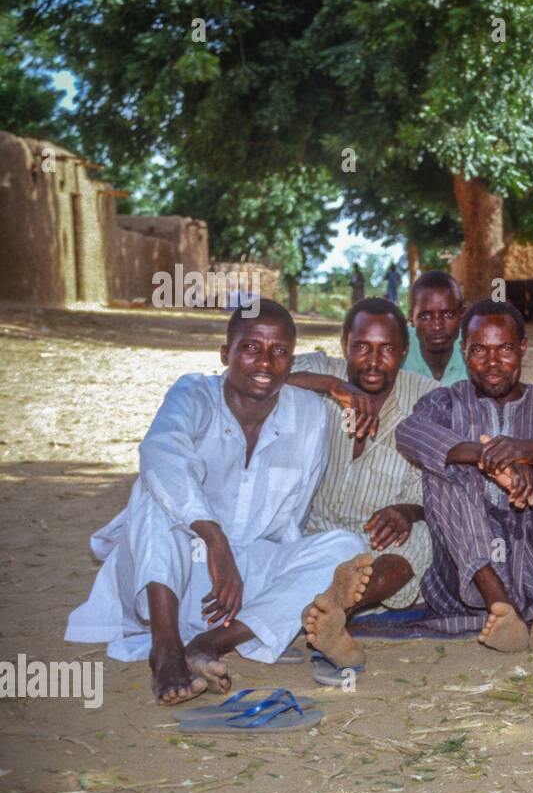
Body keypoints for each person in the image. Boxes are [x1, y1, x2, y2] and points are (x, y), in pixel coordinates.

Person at [65, 301, 370, 705]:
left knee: (346, 547)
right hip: (168, 578)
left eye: (278, 351)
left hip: (245, 585)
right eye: (250, 348)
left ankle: (210, 643)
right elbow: (162, 455)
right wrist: (214, 539)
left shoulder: (310, 414)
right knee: (154, 491)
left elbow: (293, 517)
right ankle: (166, 648)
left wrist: (256, 566)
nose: (264, 361)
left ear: (291, 362)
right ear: (225, 354)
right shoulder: (192, 394)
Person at [395, 300, 533, 653]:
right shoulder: (445, 402)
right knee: (447, 467)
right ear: (463, 350)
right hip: (470, 577)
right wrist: (486, 458)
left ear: (523, 348)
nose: (492, 363)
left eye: (505, 349)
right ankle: (501, 609)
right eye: (479, 349)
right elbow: (409, 433)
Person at [286, 298, 437, 667]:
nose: (373, 361)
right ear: (344, 345)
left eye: (386, 349)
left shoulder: (427, 399)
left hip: (376, 542)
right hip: (311, 533)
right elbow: (254, 376)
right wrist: (333, 386)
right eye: (361, 347)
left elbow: (434, 481)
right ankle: (326, 610)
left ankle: (335, 610)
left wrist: (408, 510)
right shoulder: (323, 371)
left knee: (423, 536)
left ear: (403, 351)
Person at [403, 270, 469, 386]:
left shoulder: (477, 349)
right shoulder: (397, 347)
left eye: (448, 314)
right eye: (425, 316)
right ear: (411, 318)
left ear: (462, 315)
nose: (437, 326)